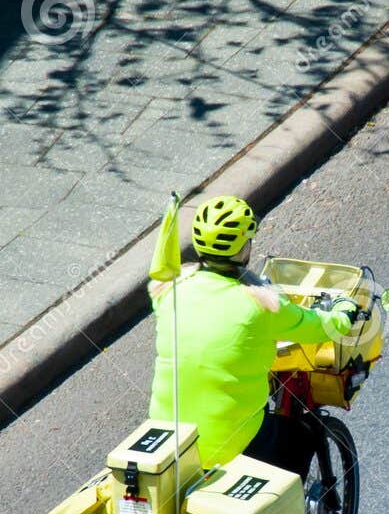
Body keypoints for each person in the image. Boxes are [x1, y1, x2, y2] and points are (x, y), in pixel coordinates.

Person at [147, 195, 357, 473]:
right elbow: (320, 326)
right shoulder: (262, 305)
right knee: (301, 436)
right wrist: (345, 312)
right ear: (244, 247)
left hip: (167, 435)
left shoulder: (169, 290)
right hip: (226, 443)